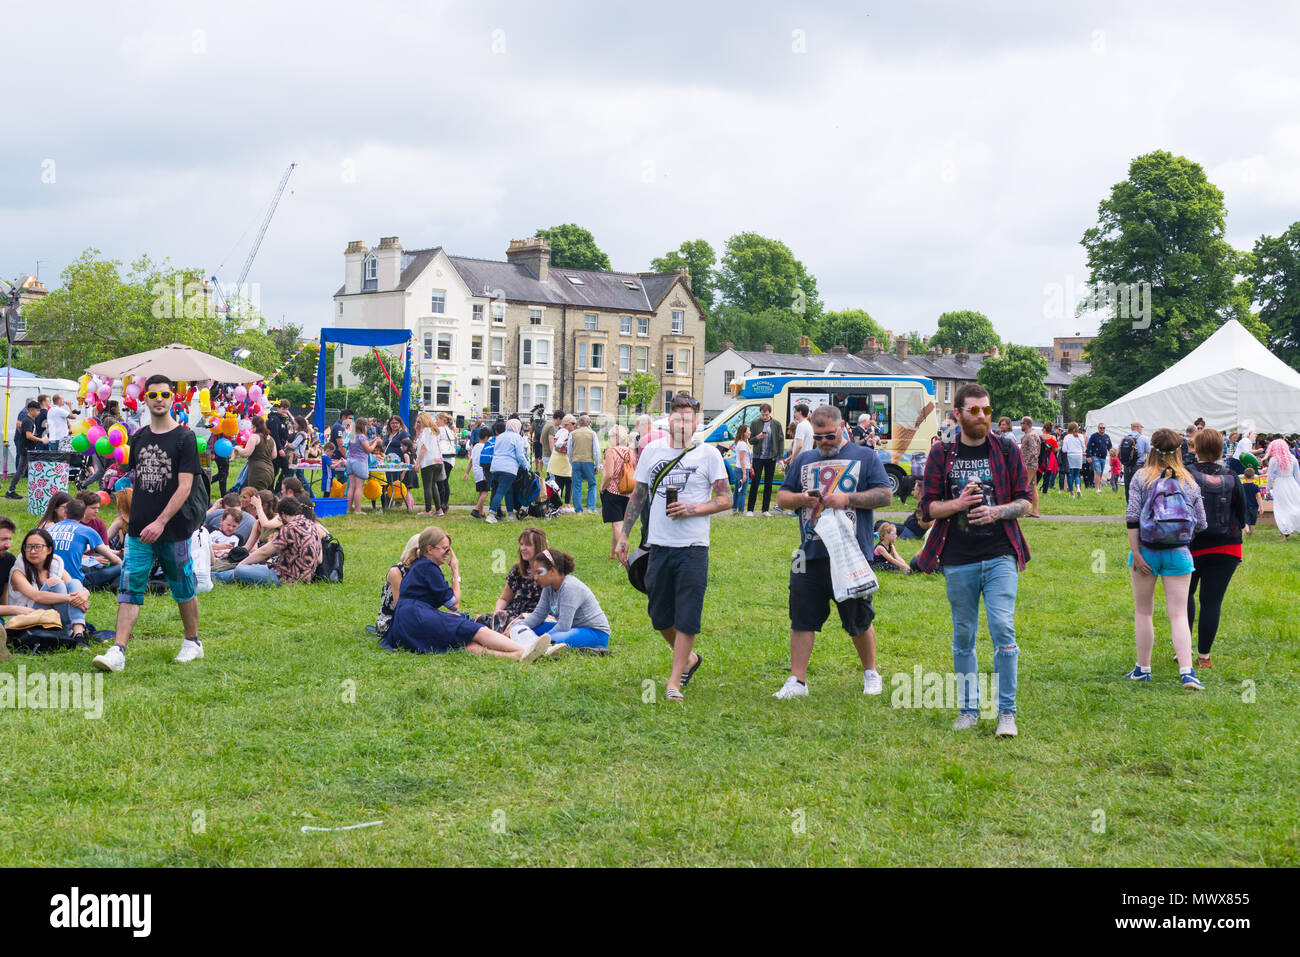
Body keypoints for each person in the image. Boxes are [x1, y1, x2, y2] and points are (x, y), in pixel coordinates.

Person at [916, 383, 1032, 737]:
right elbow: (926, 510)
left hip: (1000, 553)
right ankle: (968, 710)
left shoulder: (1007, 450)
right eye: (974, 411)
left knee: (1002, 627)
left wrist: (997, 511)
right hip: (958, 557)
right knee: (964, 634)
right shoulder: (943, 454)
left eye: (987, 410)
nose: (982, 417)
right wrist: (959, 505)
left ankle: (1006, 713)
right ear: (958, 414)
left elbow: (1026, 502)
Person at [615, 393, 730, 702]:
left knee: (687, 615)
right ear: (670, 421)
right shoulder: (652, 450)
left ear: (696, 421)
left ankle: (674, 681)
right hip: (659, 545)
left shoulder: (708, 455)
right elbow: (638, 494)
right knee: (659, 615)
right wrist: (624, 535)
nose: (683, 423)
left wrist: (692, 509)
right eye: (678, 417)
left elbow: (725, 499)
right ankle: (691, 660)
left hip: (693, 546)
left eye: (689, 418)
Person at [772, 404, 892, 699]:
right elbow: (782, 497)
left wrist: (847, 498)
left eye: (829, 436)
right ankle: (797, 681)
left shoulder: (865, 456)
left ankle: (870, 673)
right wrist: (801, 498)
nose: (823, 443)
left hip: (851, 553)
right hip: (809, 552)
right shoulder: (805, 459)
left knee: (858, 618)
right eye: (818, 437)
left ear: (842, 429)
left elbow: (885, 494)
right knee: (801, 616)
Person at [92, 373, 204, 673]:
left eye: (164, 395)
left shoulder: (185, 438)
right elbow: (137, 481)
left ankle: (192, 642)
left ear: (172, 398)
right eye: (152, 395)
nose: (158, 400)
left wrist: (161, 521)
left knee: (183, 586)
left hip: (173, 528)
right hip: (139, 529)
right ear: (145, 399)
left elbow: (184, 487)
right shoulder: (139, 436)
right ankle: (118, 651)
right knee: (130, 586)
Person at [380, 526, 550, 661]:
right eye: (445, 549)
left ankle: (516, 656)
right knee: (476, 629)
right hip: (418, 618)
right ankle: (529, 651)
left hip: (405, 626)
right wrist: (455, 571)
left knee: (464, 643)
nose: (448, 554)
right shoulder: (428, 567)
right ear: (430, 549)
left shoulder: (420, 565)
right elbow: (454, 604)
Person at [1123, 428, 1208, 689]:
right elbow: (1201, 523)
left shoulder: (1141, 477)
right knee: (1179, 613)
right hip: (1179, 553)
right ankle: (1187, 671)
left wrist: (1136, 553)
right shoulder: (1189, 481)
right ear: (1179, 451)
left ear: (1152, 450)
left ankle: (1143, 668)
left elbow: (1132, 517)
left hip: (1145, 551)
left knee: (1143, 611)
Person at [1185, 428, 1247, 669]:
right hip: (1227, 546)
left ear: (1196, 449)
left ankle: (1184, 649)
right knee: (1212, 602)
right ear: (1221, 449)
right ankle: (1204, 657)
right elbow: (1242, 514)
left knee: (1185, 598)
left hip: (1191, 545)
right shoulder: (1232, 475)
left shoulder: (1186, 475)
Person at [514, 547, 611, 656]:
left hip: (595, 633)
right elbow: (538, 615)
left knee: (554, 639)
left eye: (539, 572)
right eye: (534, 573)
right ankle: (534, 646)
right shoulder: (548, 587)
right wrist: (518, 626)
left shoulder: (570, 587)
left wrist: (540, 639)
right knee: (523, 628)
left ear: (552, 571)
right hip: (571, 628)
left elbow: (564, 626)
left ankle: (535, 647)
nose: (535, 577)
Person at [212, 497, 322, 586]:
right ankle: (210, 576)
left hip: (284, 578)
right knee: (255, 567)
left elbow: (264, 551)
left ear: (283, 514)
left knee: (241, 570)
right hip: (305, 578)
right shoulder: (313, 525)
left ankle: (210, 577)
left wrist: (241, 564)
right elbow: (320, 559)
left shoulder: (290, 528)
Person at [9, 528, 90, 639]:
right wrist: (70, 598)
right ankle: (72, 630)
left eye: (38, 547)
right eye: (28, 547)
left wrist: (84, 594)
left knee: (74, 583)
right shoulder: (18, 572)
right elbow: (36, 597)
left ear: (49, 549)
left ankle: (78, 633)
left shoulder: (55, 566)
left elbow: (75, 586)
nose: (32, 551)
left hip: (54, 617)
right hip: (28, 618)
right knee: (55, 582)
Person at [478, 527, 548, 632]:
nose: (523, 548)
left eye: (528, 545)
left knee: (512, 626)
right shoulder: (517, 569)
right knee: (483, 620)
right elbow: (504, 599)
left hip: (536, 615)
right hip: (515, 611)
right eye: (521, 544)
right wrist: (497, 612)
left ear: (538, 547)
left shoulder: (548, 572)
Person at [50, 496, 122, 591]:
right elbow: (113, 559)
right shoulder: (87, 531)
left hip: (50, 580)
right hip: (76, 583)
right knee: (124, 565)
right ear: (83, 516)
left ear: (64, 513)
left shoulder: (50, 529)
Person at [601, 426, 636, 560]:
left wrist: (602, 487)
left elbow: (609, 474)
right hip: (627, 491)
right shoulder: (631, 452)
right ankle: (611, 555)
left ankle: (623, 554)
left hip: (613, 490)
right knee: (617, 523)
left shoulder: (611, 451)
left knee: (617, 524)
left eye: (610, 437)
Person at [487, 419, 531, 524]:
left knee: (508, 491)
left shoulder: (500, 436)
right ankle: (491, 515)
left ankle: (510, 514)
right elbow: (520, 455)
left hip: (496, 466)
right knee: (501, 491)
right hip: (509, 468)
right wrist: (527, 466)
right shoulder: (517, 438)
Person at [746, 403, 785, 515]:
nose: (764, 417)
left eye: (766, 415)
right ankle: (750, 509)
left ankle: (765, 510)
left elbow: (781, 441)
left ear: (770, 413)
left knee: (768, 484)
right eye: (762, 414)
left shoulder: (776, 424)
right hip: (758, 457)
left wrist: (781, 457)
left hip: (771, 458)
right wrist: (758, 437)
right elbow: (751, 440)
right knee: (755, 482)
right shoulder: (755, 423)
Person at [6, 400, 44, 499]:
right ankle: (10, 491)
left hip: (29, 448)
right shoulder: (27, 420)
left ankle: (36, 488)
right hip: (25, 449)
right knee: (21, 471)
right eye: (38, 411)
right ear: (31, 410)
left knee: (28, 469)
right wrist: (41, 440)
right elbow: (28, 436)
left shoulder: (31, 420)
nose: (39, 413)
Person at [344, 417, 382, 514]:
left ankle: (348, 509)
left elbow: (363, 445)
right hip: (359, 462)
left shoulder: (352, 435)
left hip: (350, 462)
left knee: (351, 487)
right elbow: (368, 450)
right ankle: (358, 510)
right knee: (359, 487)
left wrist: (372, 441)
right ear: (364, 426)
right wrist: (376, 443)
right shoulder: (362, 436)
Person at [1264, 437, 1300, 540]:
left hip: (1279, 484)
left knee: (1280, 509)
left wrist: (1267, 491)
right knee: (1295, 506)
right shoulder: (1292, 458)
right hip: (1291, 484)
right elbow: (1298, 476)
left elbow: (1270, 477)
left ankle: (1284, 534)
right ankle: (1290, 528)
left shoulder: (1274, 460)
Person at [413, 412, 446, 516]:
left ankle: (427, 510)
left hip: (428, 462)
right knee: (432, 486)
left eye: (419, 421)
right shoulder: (432, 431)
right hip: (437, 461)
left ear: (424, 421)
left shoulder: (426, 431)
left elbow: (423, 448)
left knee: (427, 486)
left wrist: (417, 463)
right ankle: (439, 509)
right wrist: (417, 430)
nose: (417, 423)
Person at [234, 415, 277, 492]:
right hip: (270, 471)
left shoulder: (254, 437)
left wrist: (238, 448)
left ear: (253, 425)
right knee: (262, 495)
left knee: (256, 497)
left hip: (258, 472)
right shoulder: (270, 438)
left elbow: (246, 453)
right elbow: (274, 455)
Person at [569, 415, 601, 514]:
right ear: (588, 423)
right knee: (592, 484)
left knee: (576, 485)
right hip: (588, 461)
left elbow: (569, 450)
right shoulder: (592, 433)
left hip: (576, 461)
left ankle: (578, 510)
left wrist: (571, 461)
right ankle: (591, 508)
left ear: (579, 423)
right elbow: (596, 450)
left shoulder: (573, 433)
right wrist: (597, 464)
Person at [464, 425, 491, 519]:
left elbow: (471, 461)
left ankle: (481, 512)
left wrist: (467, 473)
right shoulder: (485, 447)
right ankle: (475, 510)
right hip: (483, 472)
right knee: (485, 493)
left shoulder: (475, 446)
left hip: (476, 472)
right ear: (487, 437)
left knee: (481, 492)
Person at [1119, 422, 1150, 503]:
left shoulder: (1124, 438)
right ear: (1138, 428)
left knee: (1128, 486)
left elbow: (1119, 453)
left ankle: (1129, 506)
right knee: (1140, 487)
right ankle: (1139, 506)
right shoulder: (1144, 438)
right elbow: (1148, 454)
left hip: (1127, 466)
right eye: (1141, 428)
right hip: (1139, 466)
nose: (1141, 429)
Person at [267, 399, 293, 491]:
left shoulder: (283, 419)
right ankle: (276, 489)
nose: (285, 411)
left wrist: (286, 440)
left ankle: (272, 490)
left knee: (275, 470)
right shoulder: (274, 419)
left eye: (286, 409)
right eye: (283, 409)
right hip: (275, 449)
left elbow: (284, 434)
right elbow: (275, 436)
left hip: (281, 448)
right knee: (286, 468)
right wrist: (280, 448)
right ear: (278, 408)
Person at [549, 414, 574, 510]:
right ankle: (566, 504)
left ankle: (558, 504)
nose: (574, 425)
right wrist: (567, 443)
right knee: (568, 482)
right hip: (563, 460)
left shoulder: (560, 431)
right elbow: (558, 443)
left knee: (559, 482)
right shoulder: (565, 432)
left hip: (558, 459)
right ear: (567, 424)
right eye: (573, 423)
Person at [1019, 417, 1041, 517]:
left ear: (1026, 424)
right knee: (1033, 488)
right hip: (1033, 465)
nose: (1020, 425)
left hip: (1029, 465)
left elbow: (1034, 450)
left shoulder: (1030, 435)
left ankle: (1022, 511)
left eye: (1021, 423)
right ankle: (1035, 511)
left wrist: (1025, 462)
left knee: (1023, 487)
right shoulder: (1033, 434)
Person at [730, 424, 751, 515]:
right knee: (742, 491)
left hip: (739, 468)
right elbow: (742, 459)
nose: (750, 432)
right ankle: (741, 511)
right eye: (748, 431)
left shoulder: (740, 442)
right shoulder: (742, 444)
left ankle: (734, 508)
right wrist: (745, 474)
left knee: (737, 490)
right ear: (744, 433)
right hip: (742, 469)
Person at [785, 403, 813, 468]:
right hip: (807, 458)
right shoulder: (808, 425)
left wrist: (793, 459)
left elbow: (800, 445)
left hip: (800, 460)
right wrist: (790, 458)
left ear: (800, 412)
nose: (794, 414)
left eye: (795, 412)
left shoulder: (801, 425)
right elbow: (806, 446)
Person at [1061, 422, 1085, 497]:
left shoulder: (1067, 437)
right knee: (1077, 474)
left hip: (1070, 456)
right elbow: (1084, 448)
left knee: (1070, 475)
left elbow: (1064, 449)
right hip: (1079, 456)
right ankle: (1078, 488)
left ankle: (1072, 493)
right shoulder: (1080, 436)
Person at [1086, 423, 1113, 492]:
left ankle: (1099, 487)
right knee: (1097, 472)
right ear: (1098, 428)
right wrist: (1088, 456)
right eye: (1101, 428)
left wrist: (1113, 454)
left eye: (1103, 428)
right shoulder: (1094, 436)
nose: (1102, 429)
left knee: (1100, 473)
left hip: (1103, 457)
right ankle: (1097, 488)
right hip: (1095, 456)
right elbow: (1089, 446)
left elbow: (1110, 447)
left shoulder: (1107, 437)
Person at [1242, 467, 1261, 534]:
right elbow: (1259, 497)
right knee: (1252, 523)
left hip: (1245, 505)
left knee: (1245, 521)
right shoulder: (1256, 486)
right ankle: (1250, 533)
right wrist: (1261, 506)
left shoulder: (1242, 486)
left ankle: (1247, 531)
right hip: (1254, 506)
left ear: (1244, 477)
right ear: (1253, 477)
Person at [541, 410, 560, 476]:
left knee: (550, 478)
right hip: (550, 456)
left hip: (544, 455)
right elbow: (551, 440)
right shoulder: (552, 427)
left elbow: (541, 441)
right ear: (558, 419)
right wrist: (554, 454)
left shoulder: (546, 425)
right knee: (553, 480)